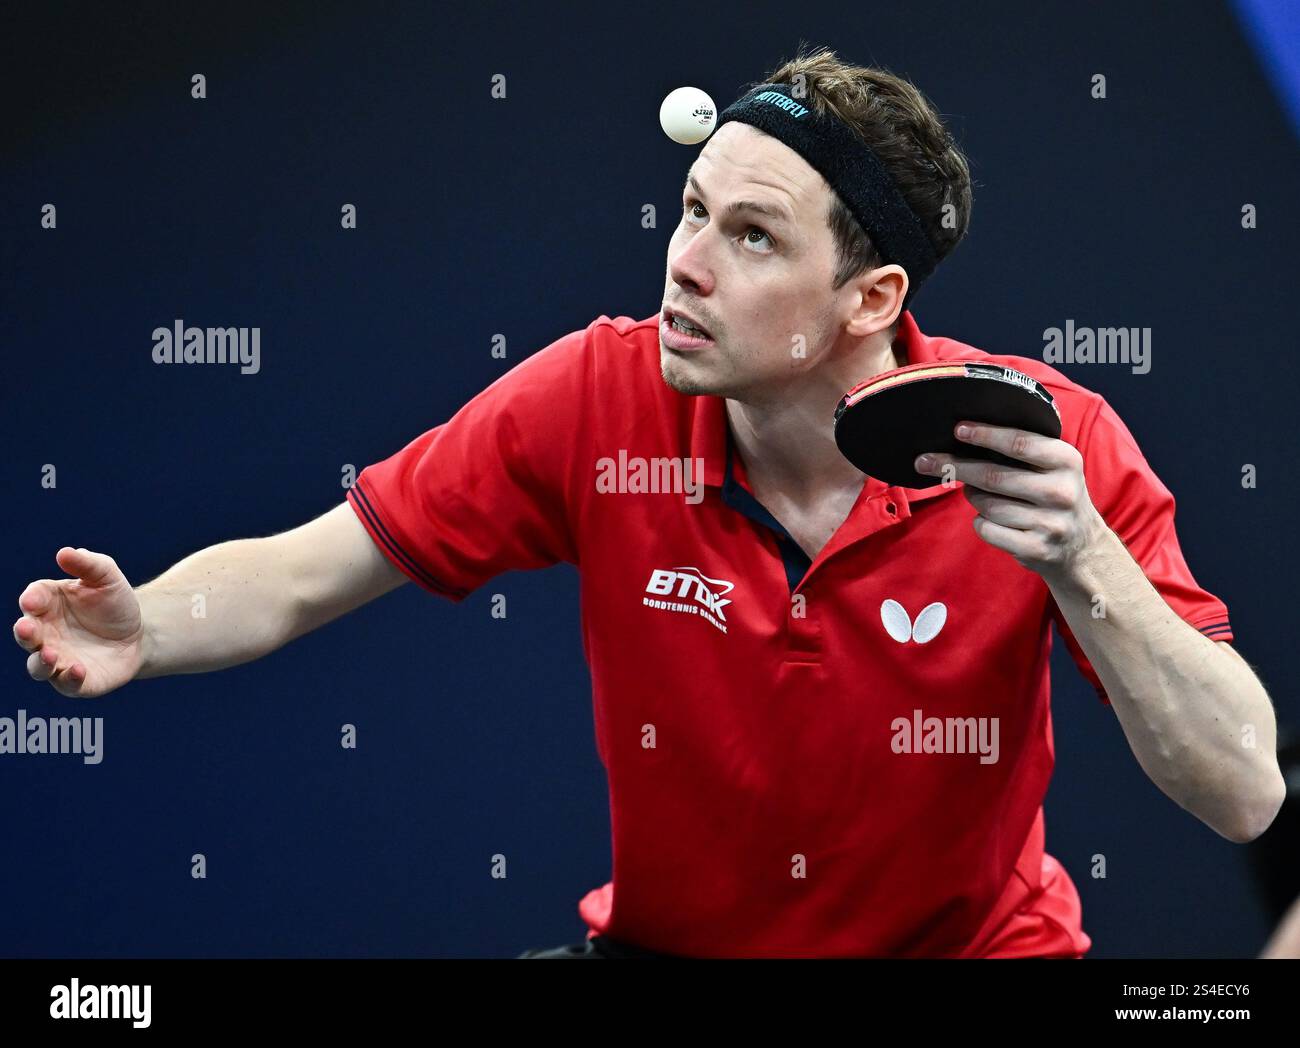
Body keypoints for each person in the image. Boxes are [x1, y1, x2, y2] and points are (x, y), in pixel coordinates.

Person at [12, 45, 1286, 959]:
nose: (683, 260)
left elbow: (1242, 792)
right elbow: (304, 569)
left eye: (751, 237)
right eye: (690, 210)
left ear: (872, 299)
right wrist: (150, 628)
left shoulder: (1037, 445)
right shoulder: (599, 395)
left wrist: (1081, 560)